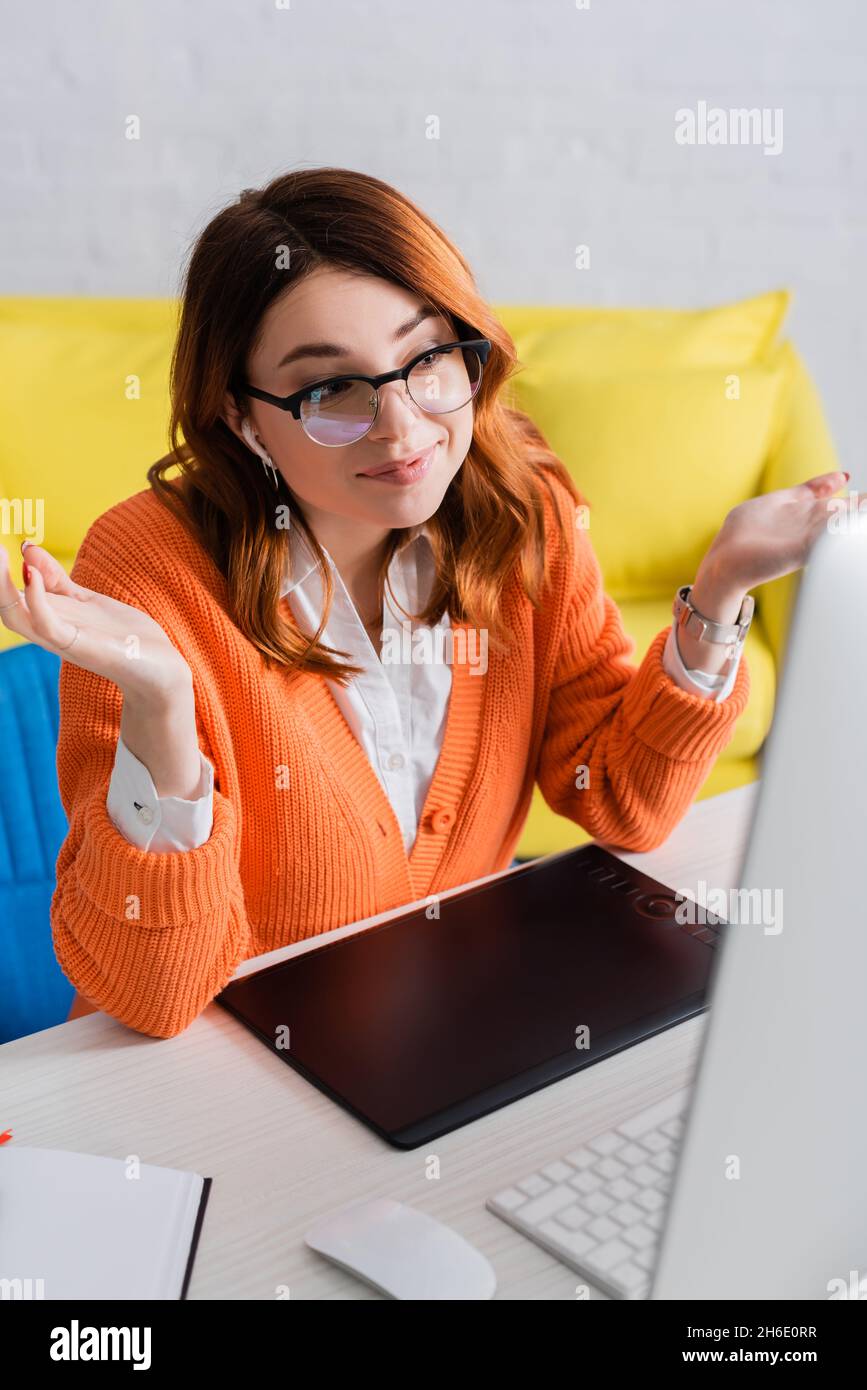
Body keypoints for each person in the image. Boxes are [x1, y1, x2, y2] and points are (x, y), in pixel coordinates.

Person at [0, 167, 849, 1038]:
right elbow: (153, 999)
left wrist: (721, 588)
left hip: (434, 1048)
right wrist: (163, 702)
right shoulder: (148, 568)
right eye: (330, 390)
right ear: (242, 419)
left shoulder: (523, 507)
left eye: (429, 359)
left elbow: (620, 803)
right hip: (226, 1087)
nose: (402, 428)